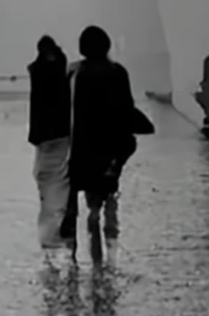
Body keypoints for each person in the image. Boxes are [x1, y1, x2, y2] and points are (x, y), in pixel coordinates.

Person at [63, 24, 138, 242]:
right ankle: (103, 212)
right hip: (109, 141)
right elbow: (126, 107)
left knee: (75, 183)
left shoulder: (73, 72)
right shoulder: (117, 72)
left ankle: (73, 226)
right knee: (104, 184)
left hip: (80, 143)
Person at [27, 35, 72, 248]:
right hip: (60, 132)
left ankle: (49, 233)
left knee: (46, 178)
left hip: (44, 135)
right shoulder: (60, 70)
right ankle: (56, 229)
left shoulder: (37, 71)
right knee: (58, 179)